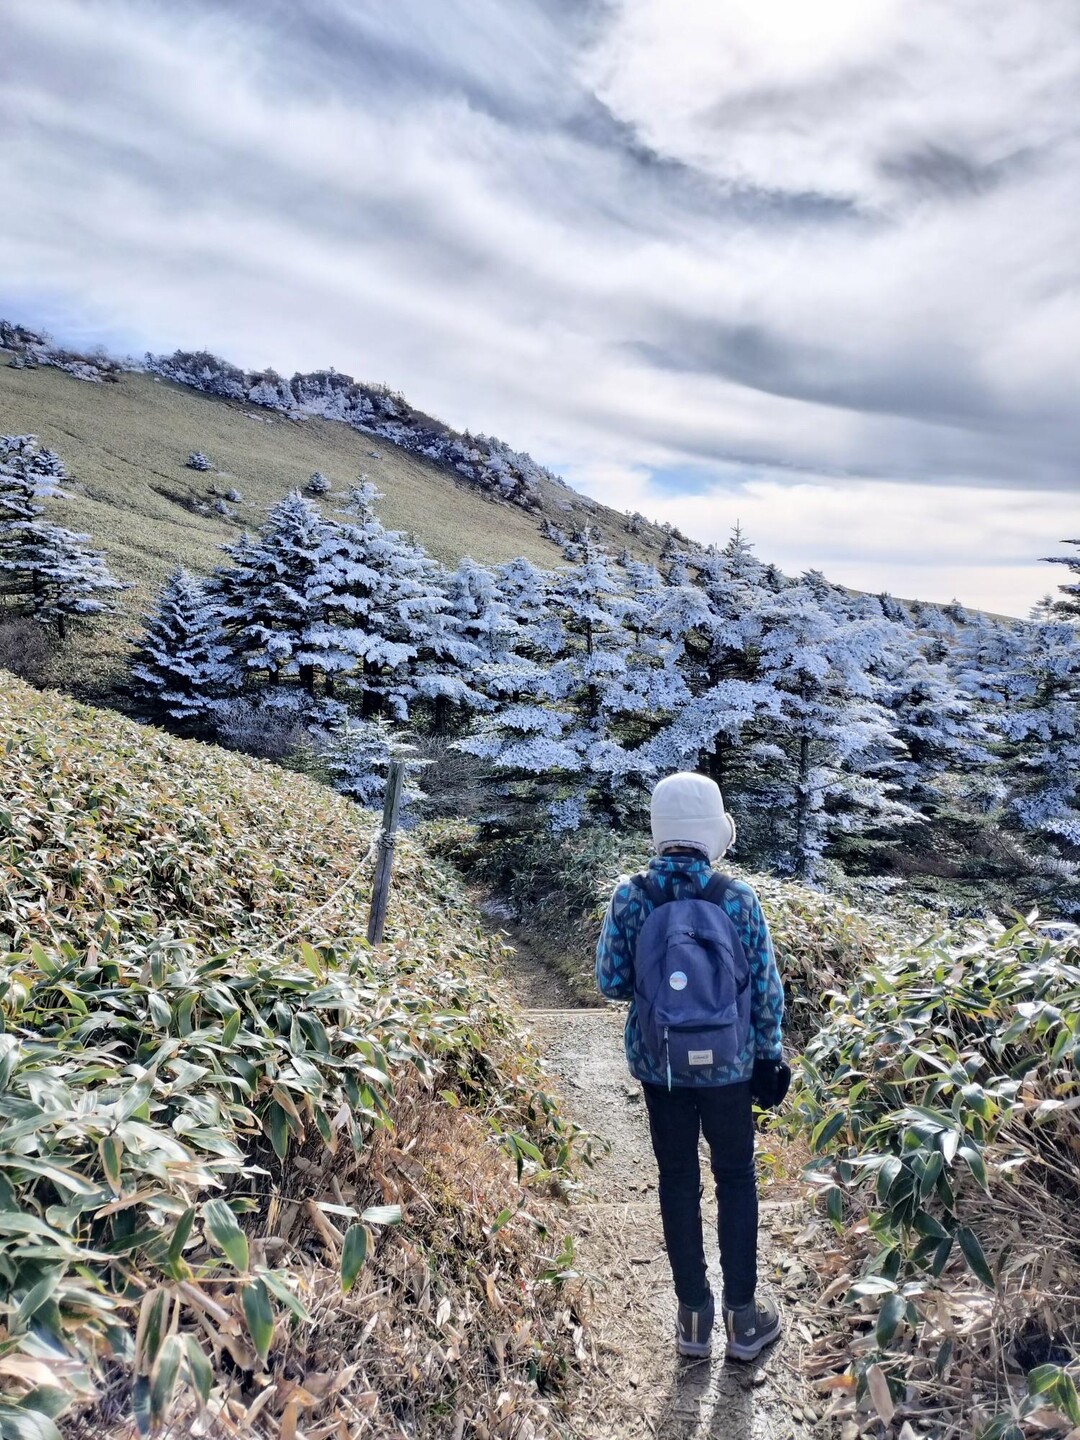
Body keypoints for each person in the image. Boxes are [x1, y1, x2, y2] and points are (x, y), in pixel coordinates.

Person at [596, 771, 787, 1361]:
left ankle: (693, 1322)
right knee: (736, 1180)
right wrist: (769, 1056)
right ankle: (744, 1319)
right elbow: (764, 988)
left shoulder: (632, 896)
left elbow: (611, 982)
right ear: (713, 828)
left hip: (663, 1067)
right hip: (730, 1065)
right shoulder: (736, 898)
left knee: (678, 1181)